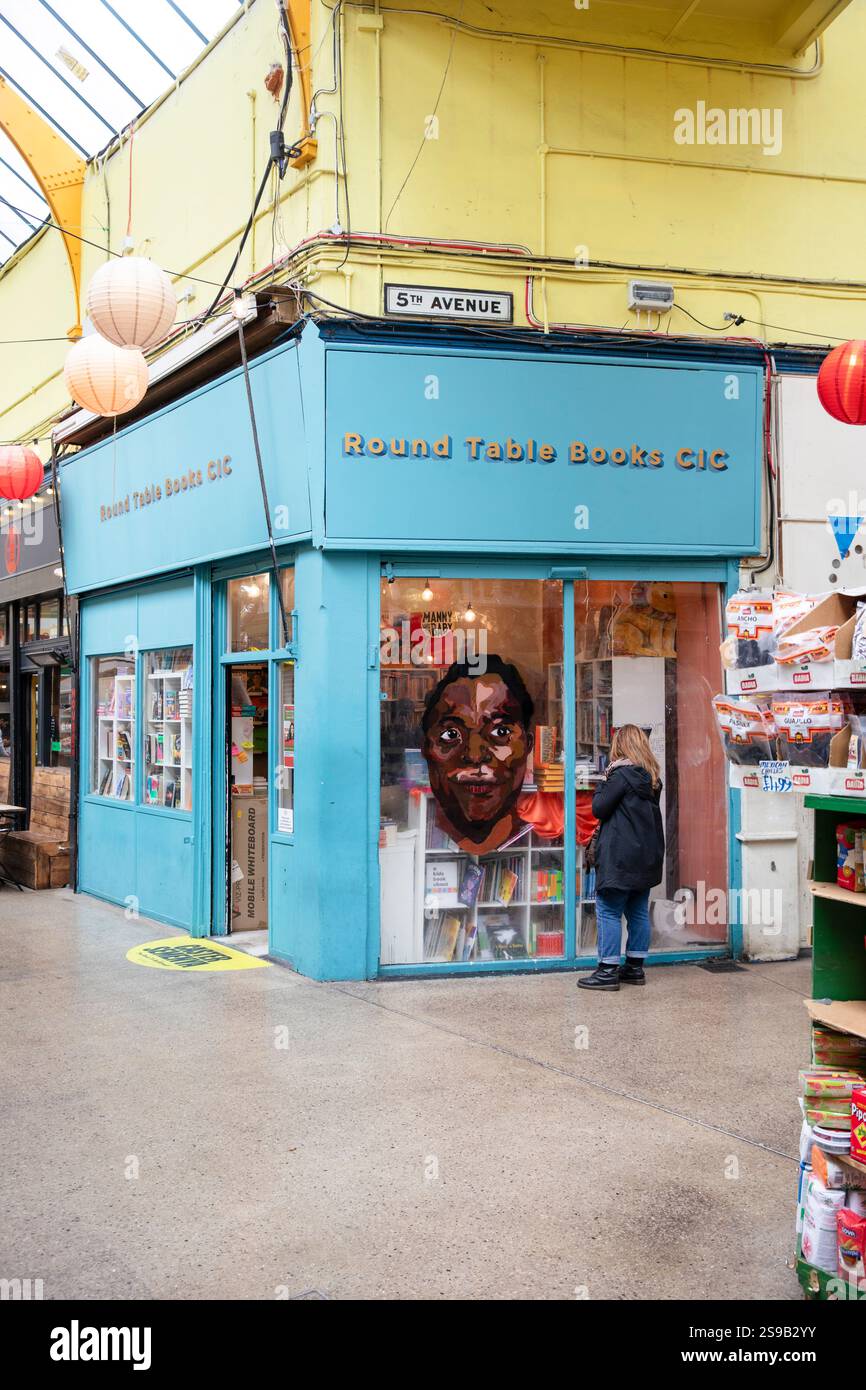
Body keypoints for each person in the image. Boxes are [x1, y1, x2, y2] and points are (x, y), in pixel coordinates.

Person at [578, 724, 664, 992]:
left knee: (608, 911)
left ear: (621, 746)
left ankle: (607, 971)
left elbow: (598, 809)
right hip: (646, 856)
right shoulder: (652, 779)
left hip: (620, 856)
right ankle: (635, 968)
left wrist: (603, 781)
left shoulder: (620, 776)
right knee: (638, 911)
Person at [421, 656, 534, 854]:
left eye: (501, 732)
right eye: (450, 734)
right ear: (425, 749)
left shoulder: (540, 827)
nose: (474, 755)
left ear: (528, 745)